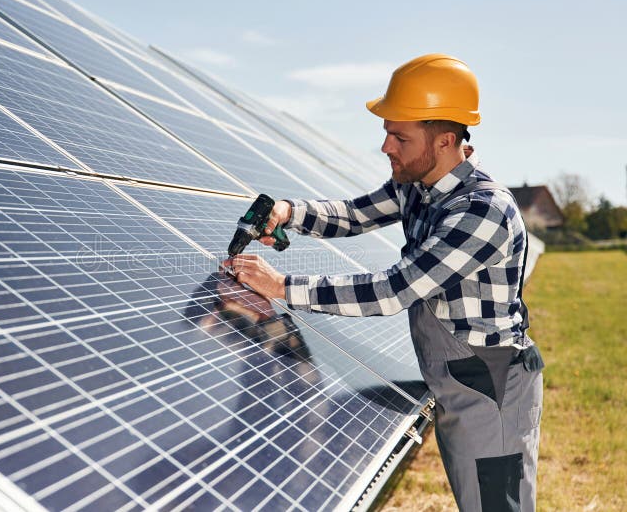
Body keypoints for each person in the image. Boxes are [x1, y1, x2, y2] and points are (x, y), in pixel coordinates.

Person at [223, 53, 544, 511]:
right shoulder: (417, 186)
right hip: (456, 376)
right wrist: (287, 212)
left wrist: (281, 287)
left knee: (495, 505)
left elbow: (396, 289)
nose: (386, 147)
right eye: (386, 133)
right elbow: (354, 215)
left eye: (399, 136)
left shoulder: (482, 211)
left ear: (445, 140)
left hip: (488, 385)